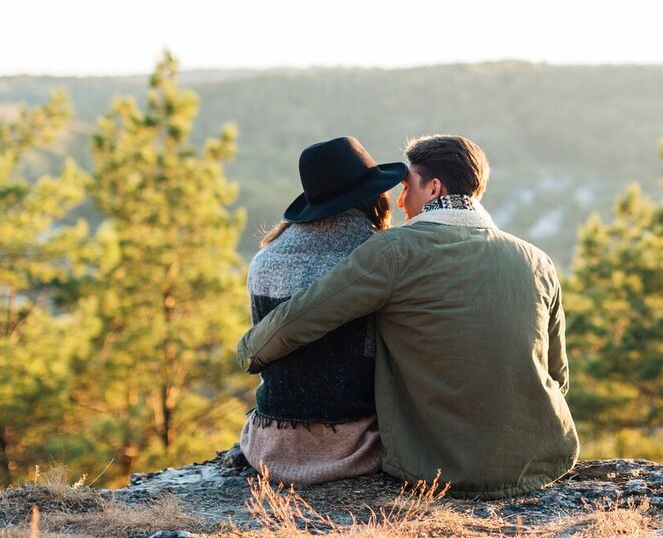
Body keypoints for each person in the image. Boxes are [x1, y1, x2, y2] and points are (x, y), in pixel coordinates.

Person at [237, 134, 579, 499]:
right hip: (546, 458)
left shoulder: (394, 251)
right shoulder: (537, 259)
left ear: (433, 188)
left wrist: (248, 351)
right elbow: (557, 375)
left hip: (440, 468)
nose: (399, 201)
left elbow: (299, 320)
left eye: (406, 187)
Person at [239, 136, 407, 486]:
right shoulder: (378, 254)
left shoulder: (265, 258)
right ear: (376, 195)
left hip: (269, 445)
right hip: (351, 445)